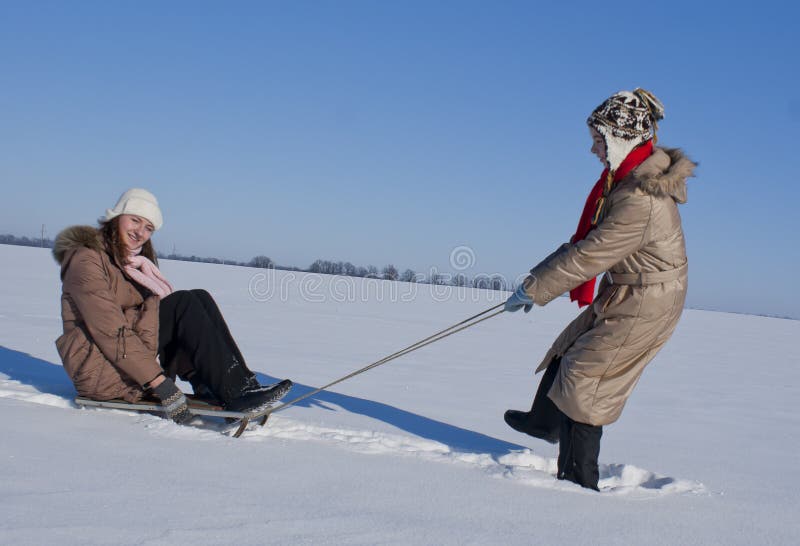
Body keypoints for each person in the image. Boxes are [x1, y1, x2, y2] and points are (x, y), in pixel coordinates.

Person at [503, 89, 697, 490]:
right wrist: (534, 283)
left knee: (587, 380)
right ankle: (544, 423)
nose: (593, 149)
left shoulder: (640, 198)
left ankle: (578, 484)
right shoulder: (623, 182)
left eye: (598, 140)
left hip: (648, 301)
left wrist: (536, 288)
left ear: (621, 139)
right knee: (569, 346)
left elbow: (590, 255)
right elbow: (584, 244)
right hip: (630, 291)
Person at [53, 188, 292, 424]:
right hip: (97, 369)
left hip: (121, 355)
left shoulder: (131, 262)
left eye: (148, 228)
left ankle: (232, 387)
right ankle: (236, 392)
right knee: (182, 304)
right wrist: (160, 383)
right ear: (116, 217)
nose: (140, 232)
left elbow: (150, 322)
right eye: (135, 220)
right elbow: (110, 332)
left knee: (198, 297)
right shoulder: (87, 260)